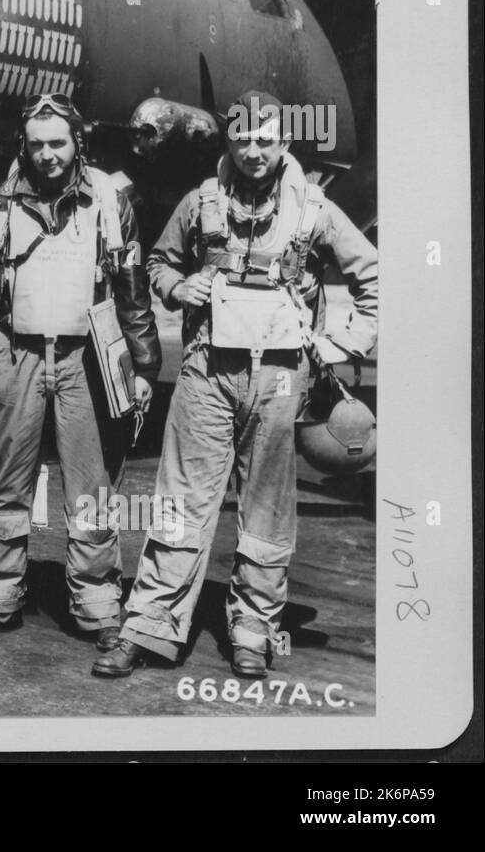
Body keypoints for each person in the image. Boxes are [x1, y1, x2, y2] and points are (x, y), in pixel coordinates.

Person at [92, 90, 378, 679]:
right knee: (179, 506)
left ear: (284, 142)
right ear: (229, 139)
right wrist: (178, 287)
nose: (253, 150)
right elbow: (157, 263)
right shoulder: (201, 202)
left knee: (267, 512)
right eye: (242, 138)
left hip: (279, 380)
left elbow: (372, 273)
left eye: (265, 139)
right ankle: (147, 625)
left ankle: (253, 629)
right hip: (205, 375)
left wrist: (341, 344)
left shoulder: (315, 210)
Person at [0, 93, 160, 647]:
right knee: (7, 481)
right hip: (17, 352)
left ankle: (97, 600)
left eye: (58, 142)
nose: (48, 155)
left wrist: (144, 364)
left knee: (91, 489)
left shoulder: (108, 200)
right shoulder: (0, 200)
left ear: (78, 143)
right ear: (22, 147)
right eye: (36, 144)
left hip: (87, 360)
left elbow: (131, 288)